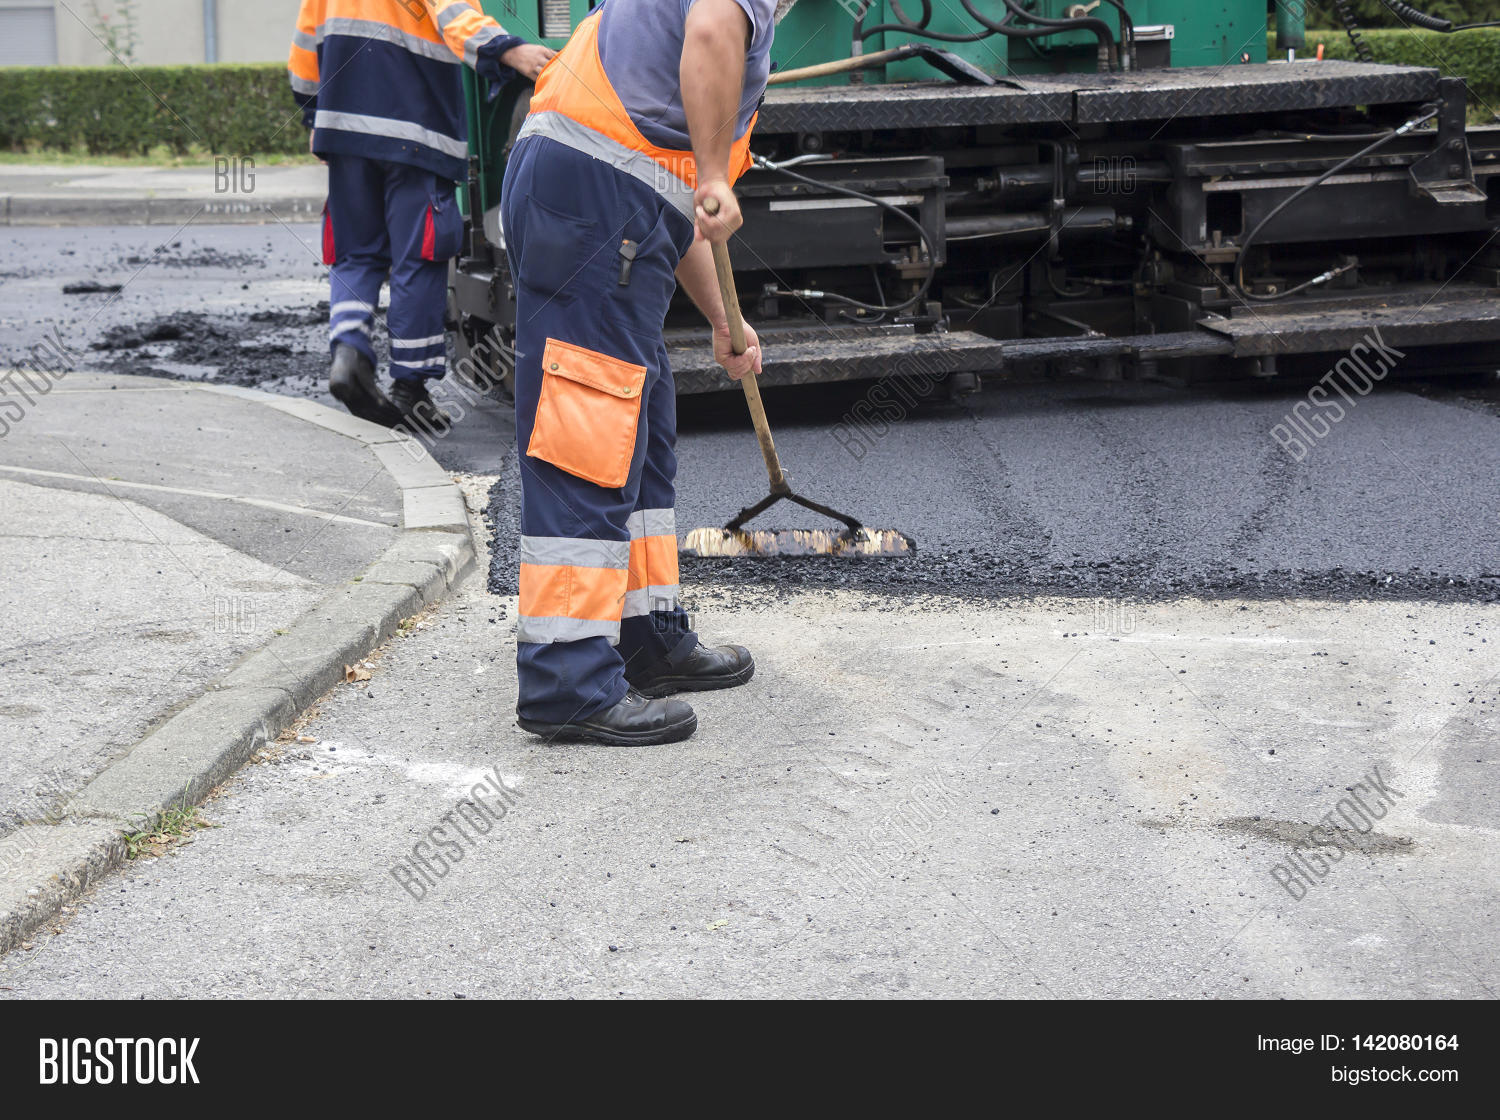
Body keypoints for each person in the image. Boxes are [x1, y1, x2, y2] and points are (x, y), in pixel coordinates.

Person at [501, 0, 775, 746]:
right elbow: (715, 29)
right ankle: (567, 677)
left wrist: (724, 320)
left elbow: (679, 194)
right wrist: (719, 173)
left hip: (606, 199)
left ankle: (644, 636)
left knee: (639, 419)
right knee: (586, 431)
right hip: (590, 200)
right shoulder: (731, 15)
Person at [288, 0, 553, 430]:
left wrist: (317, 119)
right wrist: (507, 49)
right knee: (420, 255)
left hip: (343, 135)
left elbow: (302, 57)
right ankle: (410, 391)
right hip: (415, 134)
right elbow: (452, 14)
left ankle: (348, 352)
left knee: (355, 253)